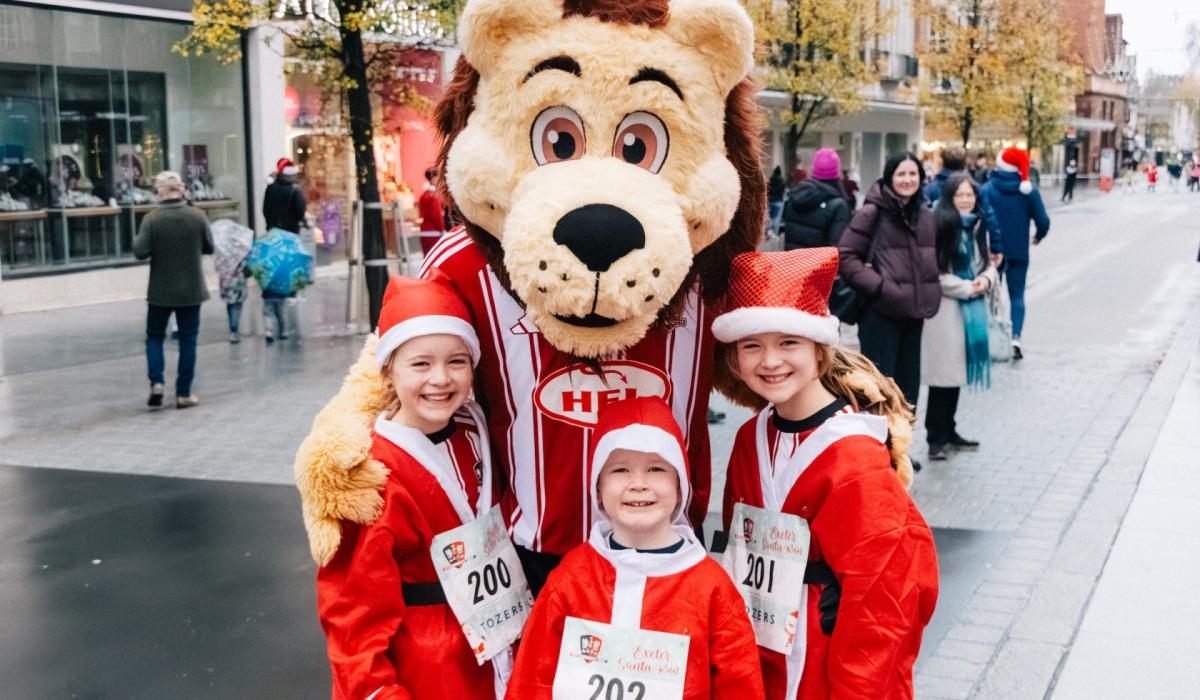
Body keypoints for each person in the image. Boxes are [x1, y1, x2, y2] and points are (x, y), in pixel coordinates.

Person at [713, 247, 938, 699]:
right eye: (752, 345)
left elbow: (886, 598)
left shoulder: (853, 456)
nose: (769, 361)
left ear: (819, 352)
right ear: (735, 359)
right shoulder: (750, 437)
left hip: (821, 662)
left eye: (788, 343)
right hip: (758, 654)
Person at [317, 273, 527, 700]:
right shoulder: (369, 475)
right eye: (420, 364)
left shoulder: (477, 430)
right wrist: (376, 689)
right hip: (431, 665)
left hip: (503, 637)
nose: (441, 378)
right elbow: (352, 610)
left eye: (457, 361)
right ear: (387, 372)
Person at [507, 396, 765, 698]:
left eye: (656, 469)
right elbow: (532, 679)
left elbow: (740, 684)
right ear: (598, 489)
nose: (638, 483)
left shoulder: (711, 587)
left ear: (679, 485)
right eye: (620, 470)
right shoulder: (572, 577)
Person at [837, 152, 940, 418]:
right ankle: (878, 444)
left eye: (913, 174)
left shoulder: (925, 215)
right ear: (889, 178)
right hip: (880, 314)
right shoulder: (872, 212)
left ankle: (902, 443)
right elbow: (845, 256)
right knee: (879, 390)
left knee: (908, 391)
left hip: (914, 314)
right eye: (901, 174)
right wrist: (880, 287)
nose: (907, 180)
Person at [922, 174, 997, 461]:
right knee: (943, 376)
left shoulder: (977, 225)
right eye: (960, 195)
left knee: (956, 375)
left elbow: (988, 262)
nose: (966, 200)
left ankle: (949, 429)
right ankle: (935, 438)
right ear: (949, 198)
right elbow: (934, 272)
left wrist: (986, 280)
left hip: (972, 309)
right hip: (946, 311)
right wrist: (967, 287)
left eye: (970, 195)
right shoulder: (940, 225)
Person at [133, 171, 213, 409]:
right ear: (181, 189)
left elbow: (140, 251)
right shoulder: (197, 216)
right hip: (191, 290)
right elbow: (209, 247)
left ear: (159, 192)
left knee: (154, 337)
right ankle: (183, 393)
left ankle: (157, 383)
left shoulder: (152, 219)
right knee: (188, 340)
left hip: (160, 291)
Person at [979, 147, 1049, 361]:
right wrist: (1038, 236)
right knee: (1017, 295)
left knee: (991, 293)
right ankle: (1015, 338)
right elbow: (1043, 221)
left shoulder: (987, 189)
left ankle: (991, 336)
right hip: (1019, 250)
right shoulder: (1029, 191)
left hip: (992, 251)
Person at [779, 148, 851, 250]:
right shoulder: (838, 206)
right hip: (821, 260)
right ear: (837, 172)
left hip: (793, 259)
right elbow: (837, 248)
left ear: (814, 169)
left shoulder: (796, 194)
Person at [263, 158, 306, 233]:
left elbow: (266, 210)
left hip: (273, 230)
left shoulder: (270, 188)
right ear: (291, 175)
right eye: (295, 175)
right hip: (291, 231)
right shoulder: (295, 189)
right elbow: (300, 211)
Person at [418, 166, 447, 255]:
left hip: (425, 230)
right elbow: (437, 216)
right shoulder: (433, 196)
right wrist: (443, 230)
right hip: (434, 230)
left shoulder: (424, 195)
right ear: (433, 178)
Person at [767, 165, 786, 234]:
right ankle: (774, 232)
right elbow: (783, 191)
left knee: (770, 216)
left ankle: (768, 231)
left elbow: (767, 190)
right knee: (776, 218)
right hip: (778, 201)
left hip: (770, 200)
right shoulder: (782, 181)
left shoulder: (770, 180)